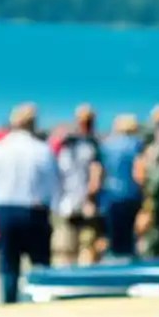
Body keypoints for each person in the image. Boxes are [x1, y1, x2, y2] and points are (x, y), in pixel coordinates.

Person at [0, 103, 60, 303]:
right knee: (40, 263)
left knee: (9, 263)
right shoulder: (41, 150)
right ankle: (41, 304)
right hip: (34, 211)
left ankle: (9, 305)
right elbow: (52, 184)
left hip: (6, 210)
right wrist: (55, 206)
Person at [52, 105, 104, 266]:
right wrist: (91, 198)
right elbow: (96, 174)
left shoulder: (67, 143)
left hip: (68, 202)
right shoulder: (90, 144)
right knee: (84, 248)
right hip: (79, 202)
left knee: (69, 248)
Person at [100, 113, 146, 258]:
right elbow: (139, 173)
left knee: (113, 239)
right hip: (131, 196)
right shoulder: (136, 144)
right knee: (130, 240)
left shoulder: (106, 145)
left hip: (110, 196)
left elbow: (100, 172)